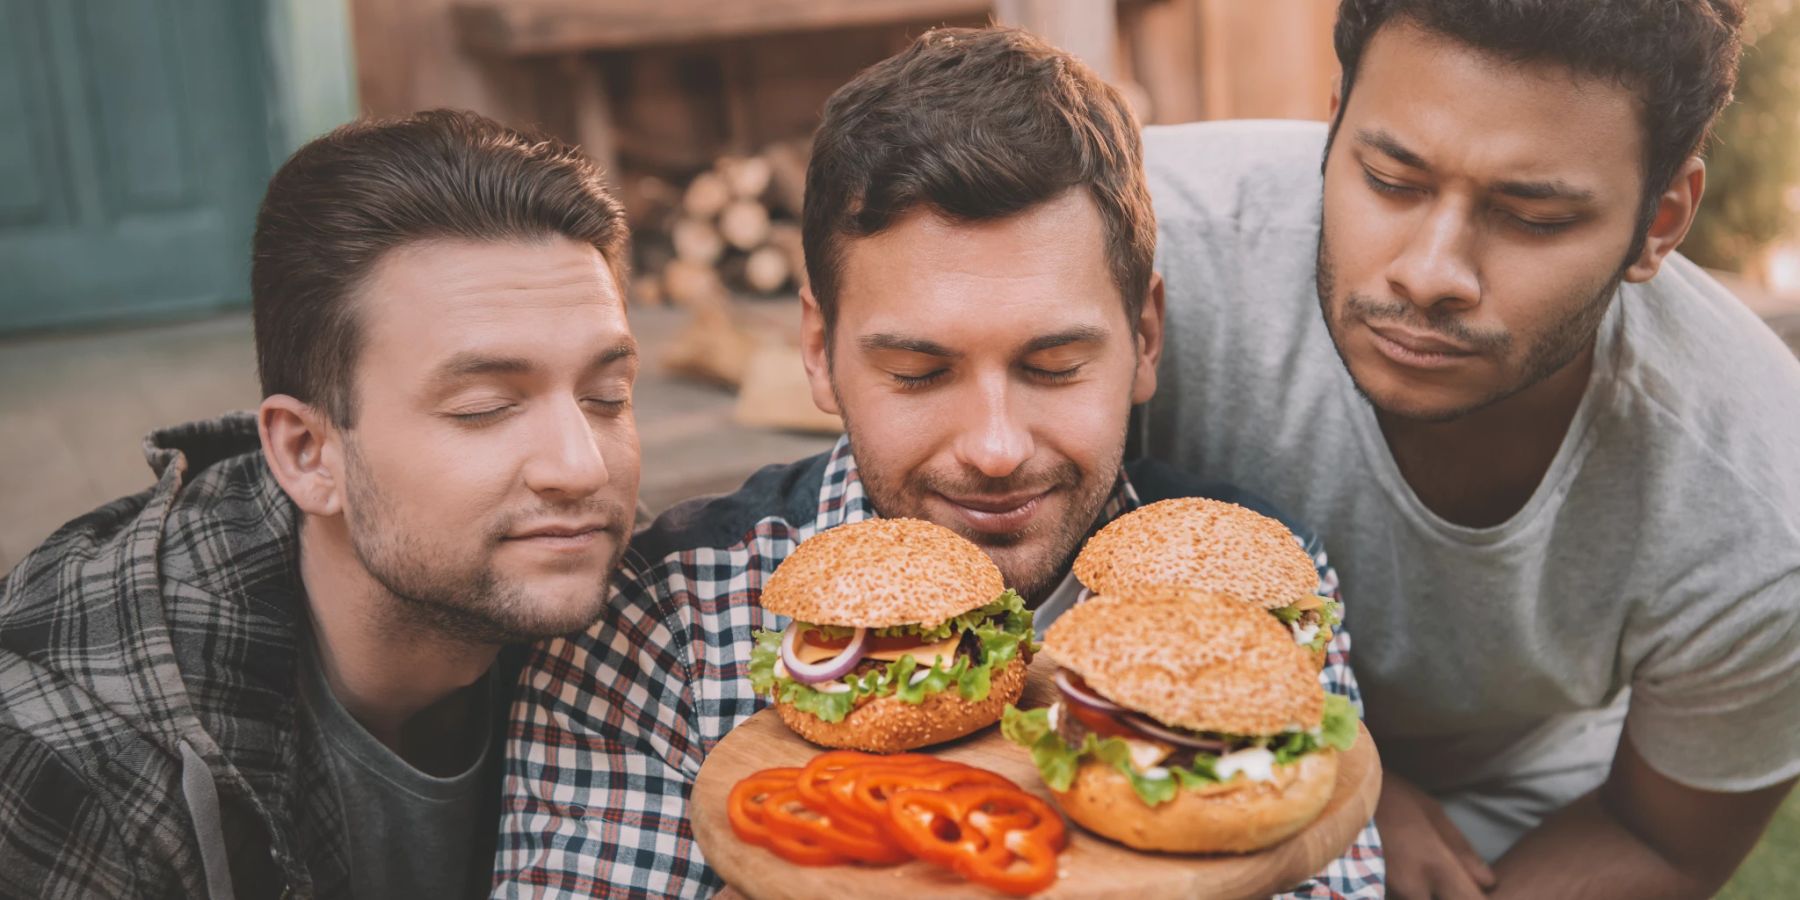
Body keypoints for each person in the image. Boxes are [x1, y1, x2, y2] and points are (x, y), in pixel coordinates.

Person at [496, 28, 1383, 899]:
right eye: (918, 374)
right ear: (817, 349)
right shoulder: (659, 624)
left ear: (1145, 337)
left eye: (1054, 368)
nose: (995, 448)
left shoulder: (1269, 592)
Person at [1135, 0, 1800, 896]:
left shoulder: (1760, 511)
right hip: (1135, 710)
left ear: (1661, 221)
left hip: (1500, 795)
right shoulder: (1129, 244)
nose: (1431, 272)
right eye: (1390, 179)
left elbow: (1662, 839)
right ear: (1333, 121)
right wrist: (1337, 770)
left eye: (1532, 216)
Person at [0, 109, 641, 899]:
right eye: (482, 408)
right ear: (307, 453)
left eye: (606, 396)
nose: (581, 467)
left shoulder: (643, 603)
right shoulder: (78, 755)